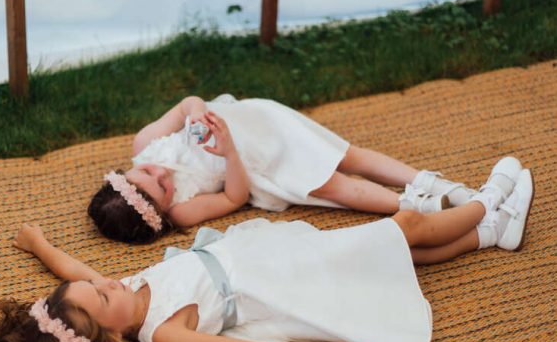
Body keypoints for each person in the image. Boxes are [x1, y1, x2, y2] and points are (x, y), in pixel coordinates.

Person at [0, 159, 534, 342]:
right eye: (101, 298)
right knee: (404, 228)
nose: (106, 282)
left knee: (394, 255)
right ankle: (490, 203)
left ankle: (488, 236)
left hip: (265, 252)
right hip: (284, 282)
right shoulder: (164, 331)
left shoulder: (128, 293)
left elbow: (75, 271)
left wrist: (39, 243)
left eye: (96, 283)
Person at [87, 95, 485, 244]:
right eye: (163, 189)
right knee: (333, 185)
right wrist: (227, 153)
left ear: (128, 172)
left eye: (149, 174)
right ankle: (417, 203)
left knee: (347, 155)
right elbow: (234, 197)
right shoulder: (182, 211)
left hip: (257, 122)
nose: (162, 176)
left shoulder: (144, 145)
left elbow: (188, 102)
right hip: (256, 165)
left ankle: (430, 181)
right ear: (160, 213)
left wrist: (198, 116)